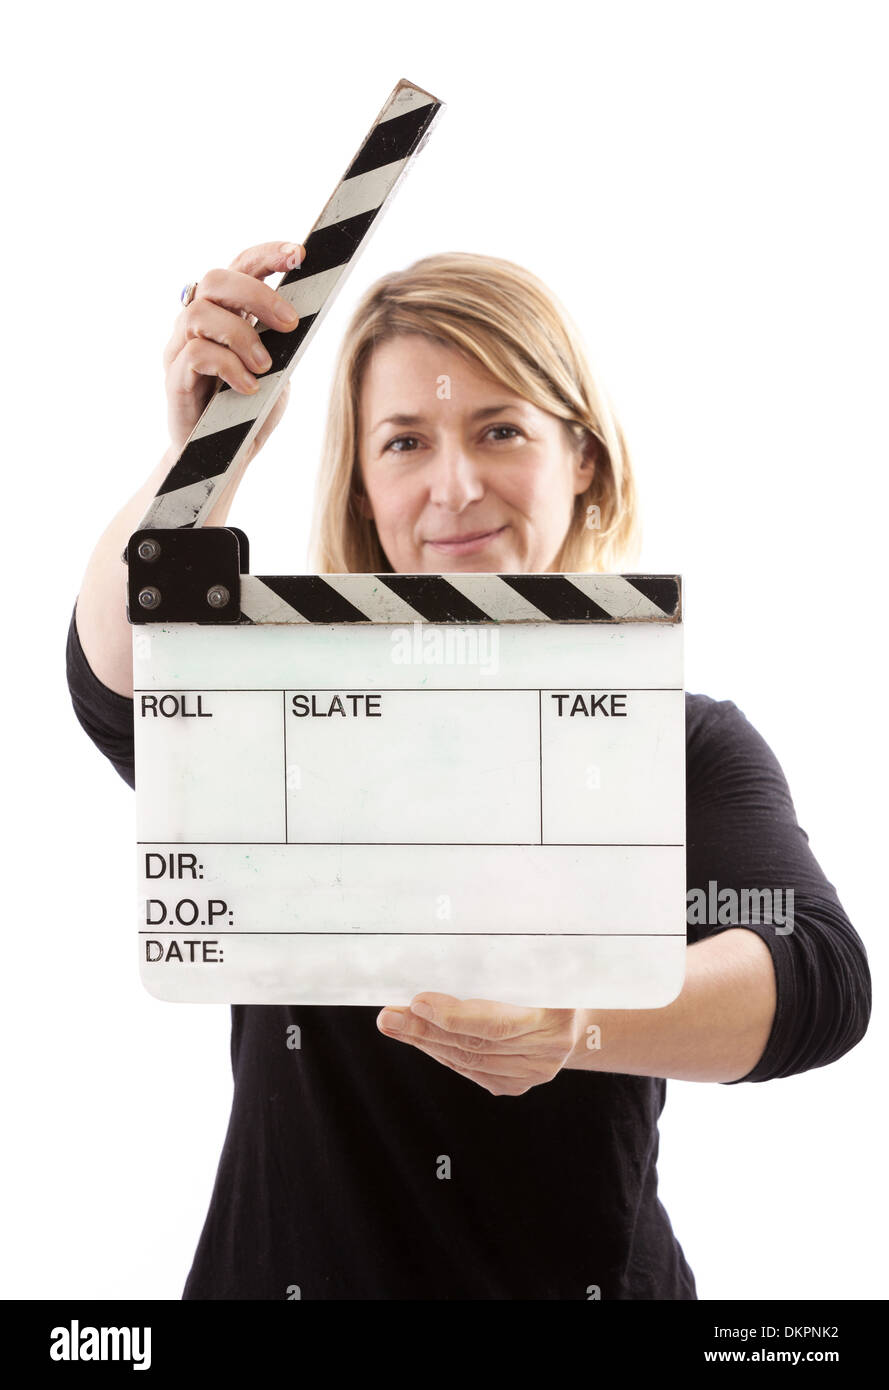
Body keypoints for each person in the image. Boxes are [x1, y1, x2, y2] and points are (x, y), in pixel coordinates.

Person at [66, 241, 872, 1300]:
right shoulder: (284, 717)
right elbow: (119, 681)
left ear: (580, 455)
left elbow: (816, 975)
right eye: (403, 441)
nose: (454, 485)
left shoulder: (675, 741)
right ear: (361, 477)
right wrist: (204, 463)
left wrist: (573, 1020)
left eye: (500, 429)